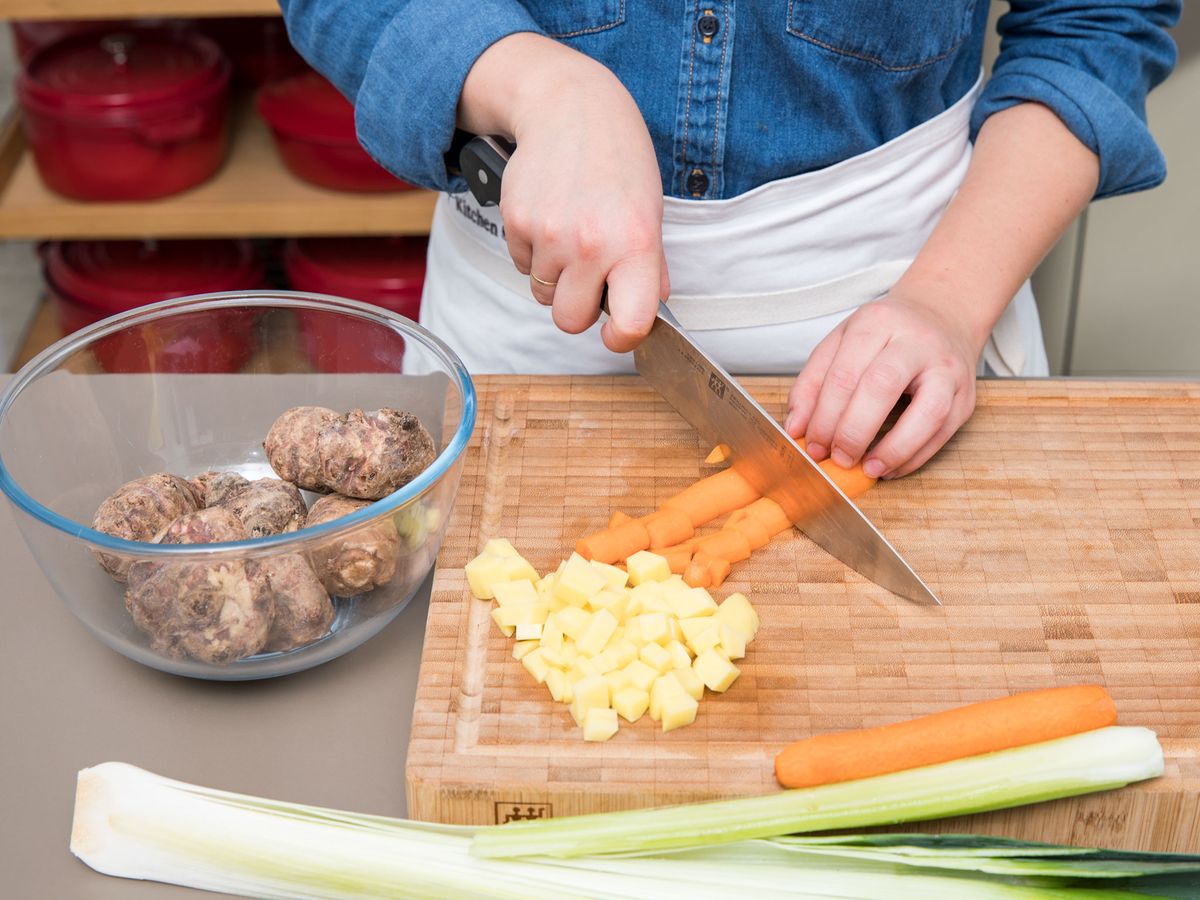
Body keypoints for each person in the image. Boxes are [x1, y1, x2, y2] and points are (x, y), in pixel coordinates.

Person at [280, 1, 1179, 479]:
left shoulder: (939, 299)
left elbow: (1096, 21)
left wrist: (946, 300)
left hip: (916, 297)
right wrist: (544, 86)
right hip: (530, 321)